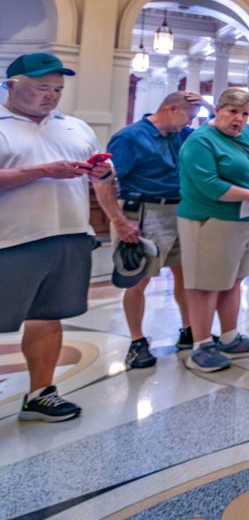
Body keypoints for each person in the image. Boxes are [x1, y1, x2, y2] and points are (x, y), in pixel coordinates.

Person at [0, 53, 112, 422]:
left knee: (49, 318)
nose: (51, 95)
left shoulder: (75, 127)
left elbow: (99, 181)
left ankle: (41, 393)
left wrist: (101, 174)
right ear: (12, 85)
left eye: (58, 89)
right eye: (42, 88)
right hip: (11, 240)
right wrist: (44, 170)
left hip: (68, 234)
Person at [97, 90, 203, 369]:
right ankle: (137, 341)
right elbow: (106, 182)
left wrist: (209, 105)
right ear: (170, 109)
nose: (190, 122)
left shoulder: (183, 135)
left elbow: (218, 129)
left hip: (180, 209)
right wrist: (120, 221)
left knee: (186, 276)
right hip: (142, 211)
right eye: (189, 116)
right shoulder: (130, 137)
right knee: (137, 279)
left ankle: (189, 330)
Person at [176, 87, 249, 373]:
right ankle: (201, 345)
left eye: (244, 114)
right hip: (209, 220)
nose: (238, 119)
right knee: (204, 285)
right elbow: (210, 185)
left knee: (233, 280)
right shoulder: (200, 141)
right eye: (232, 112)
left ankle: (230, 337)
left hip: (245, 221)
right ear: (217, 110)